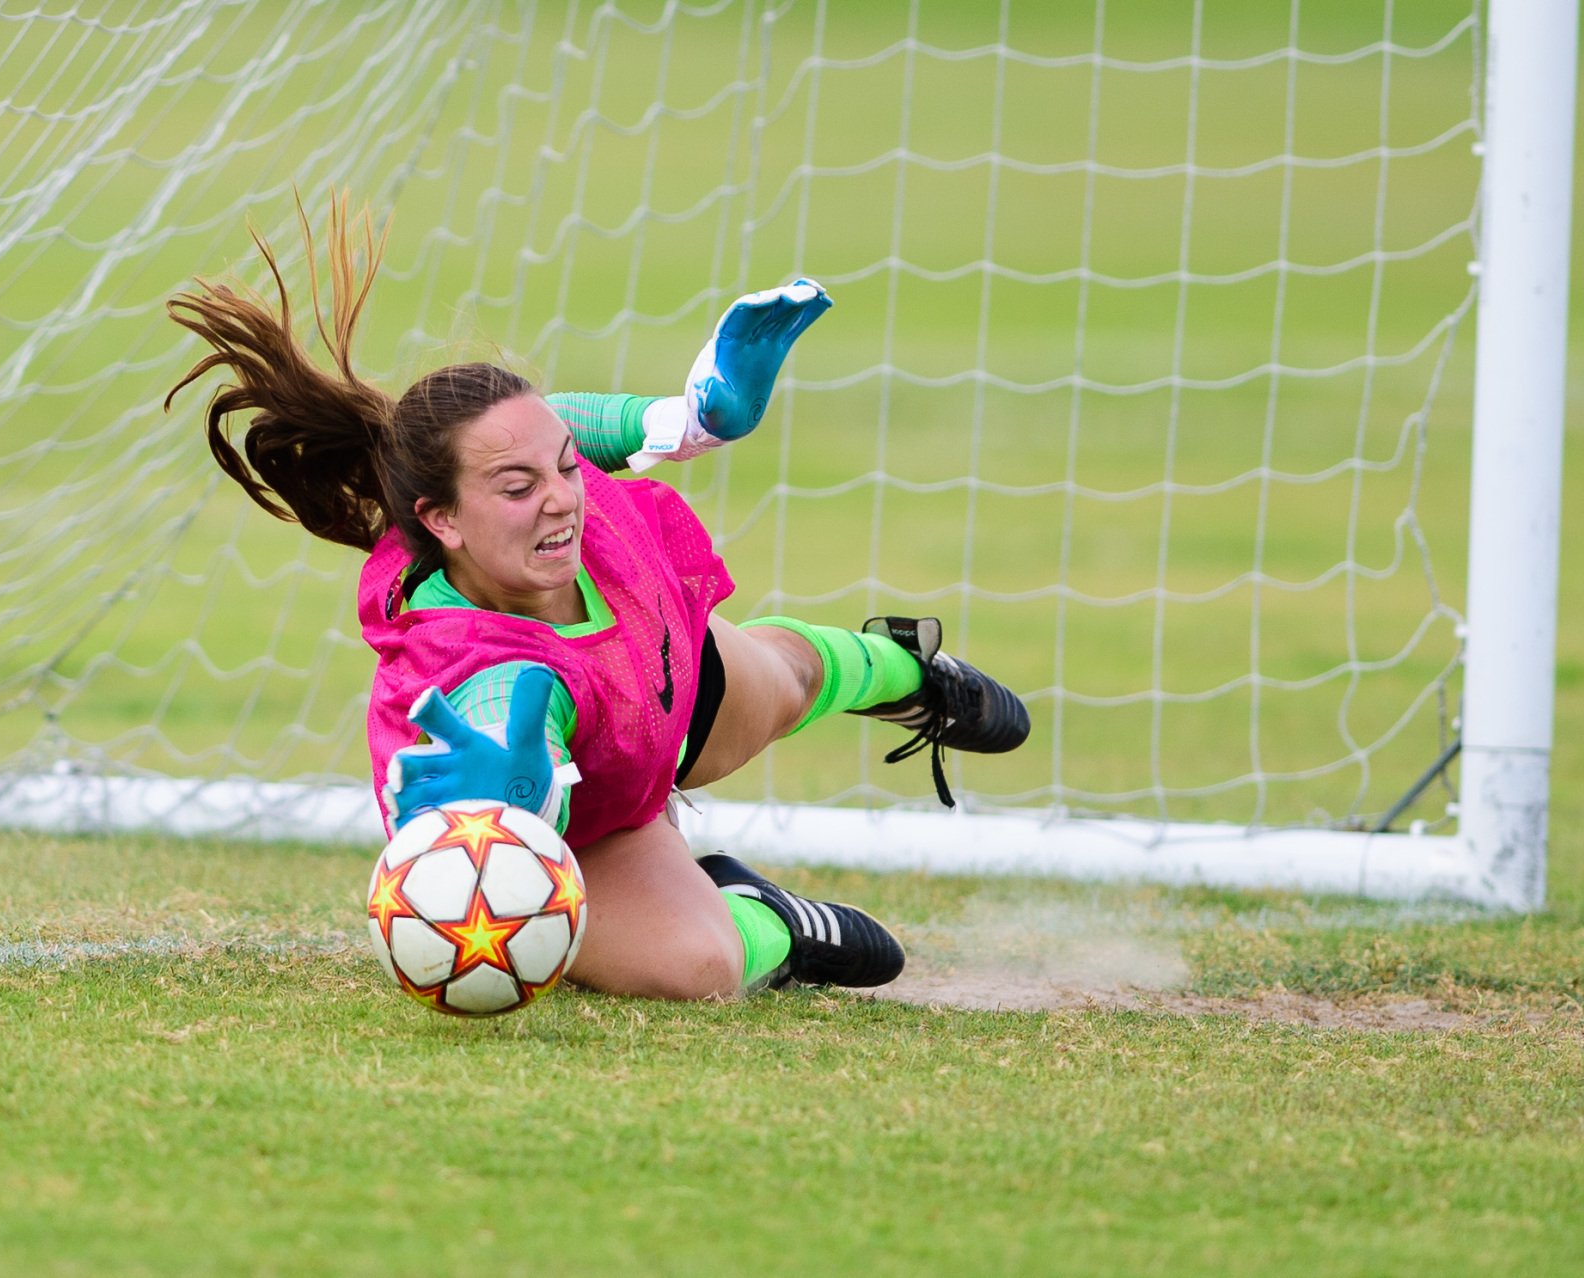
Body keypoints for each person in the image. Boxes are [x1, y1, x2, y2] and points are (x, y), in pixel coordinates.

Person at [165, 199, 1029, 1001]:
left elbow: (564, 420)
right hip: (595, 804)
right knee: (699, 967)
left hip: (663, 680)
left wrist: (692, 418)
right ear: (441, 520)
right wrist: (508, 806)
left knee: (793, 679)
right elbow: (505, 721)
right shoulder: (475, 672)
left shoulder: (561, 494)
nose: (561, 497)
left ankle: (908, 671)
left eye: (565, 467)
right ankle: (774, 919)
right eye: (516, 486)